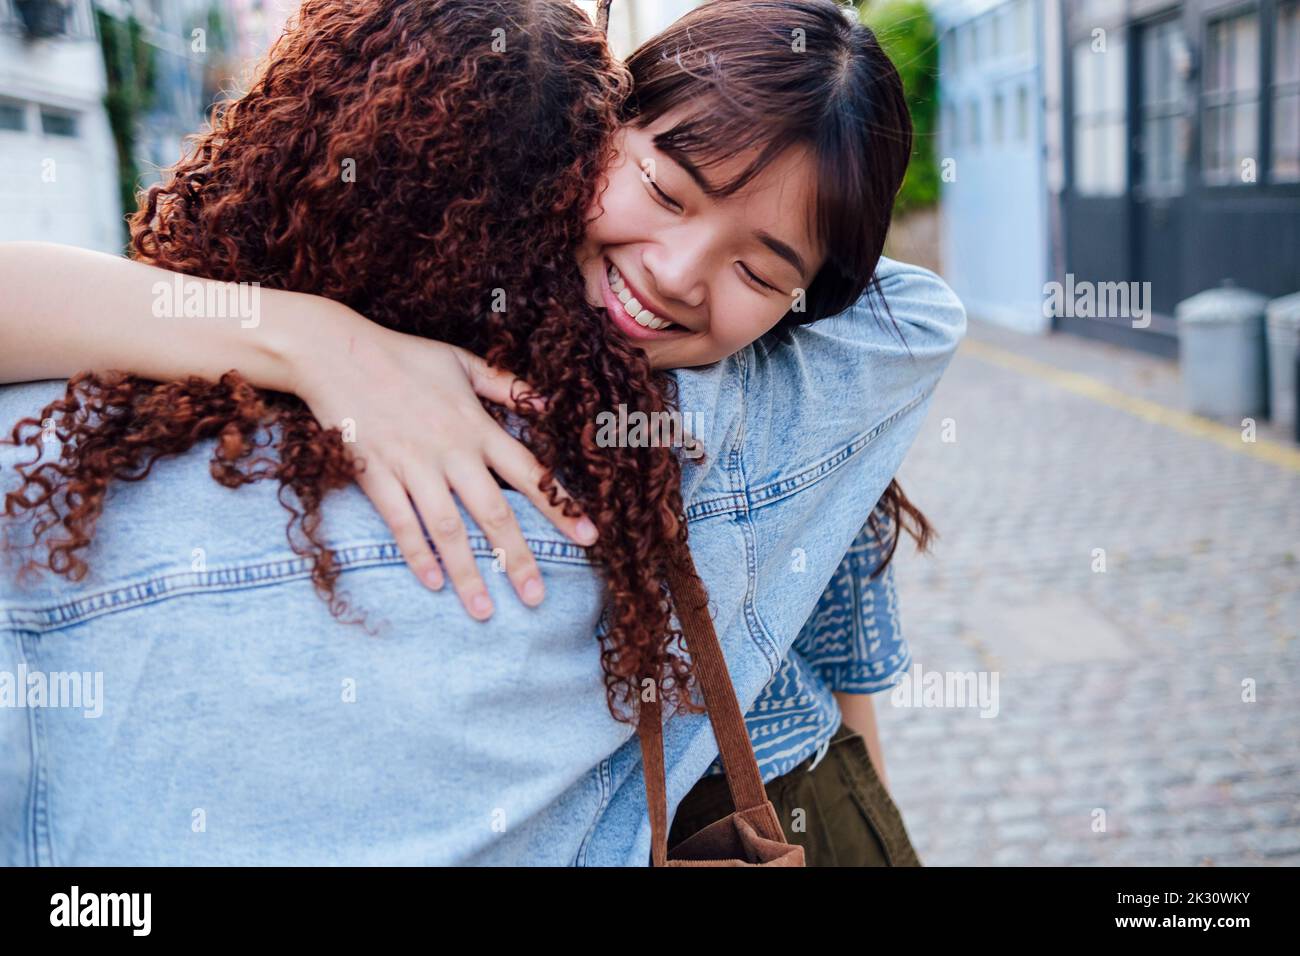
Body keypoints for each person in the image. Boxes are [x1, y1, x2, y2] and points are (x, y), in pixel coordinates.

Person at [0, 0, 963, 864]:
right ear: (589, 140)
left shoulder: (750, 396)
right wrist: (317, 340)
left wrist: (296, 335)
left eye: (760, 273)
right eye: (667, 191)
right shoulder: (746, 411)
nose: (677, 273)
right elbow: (910, 321)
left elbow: (844, 649)